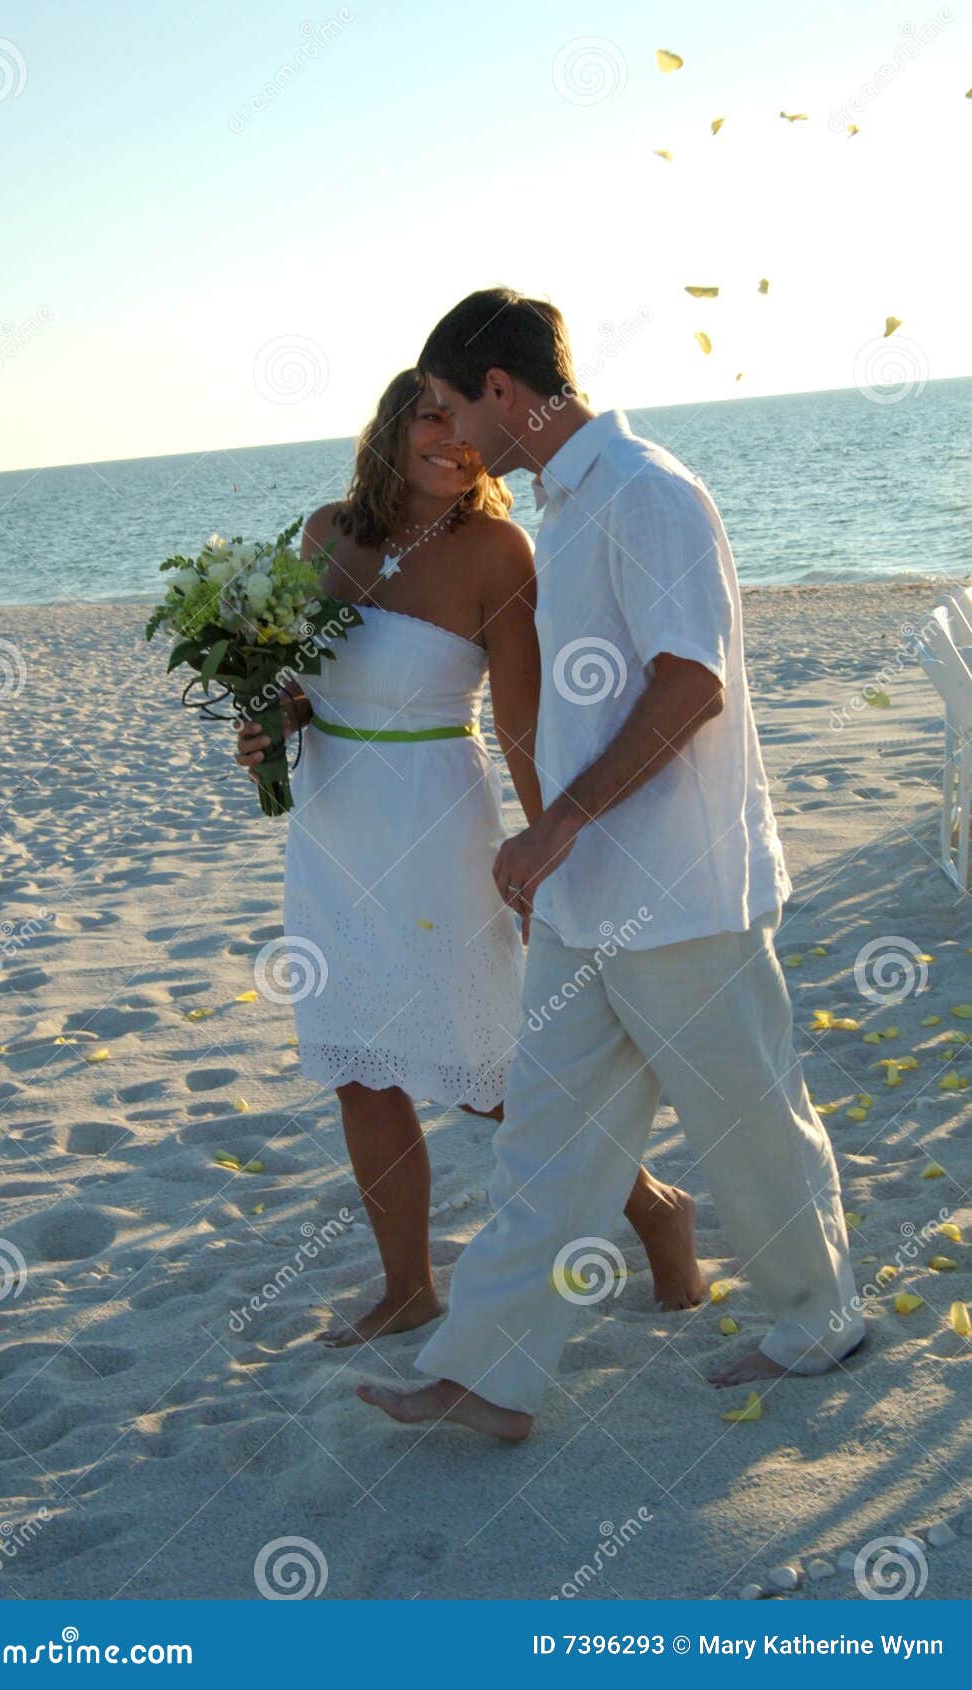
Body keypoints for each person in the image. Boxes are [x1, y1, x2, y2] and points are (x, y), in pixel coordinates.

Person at [357, 291, 865, 1439]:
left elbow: (692, 682)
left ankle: (818, 1323)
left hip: (682, 892)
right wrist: (559, 845)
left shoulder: (647, 492)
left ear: (500, 390)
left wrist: (558, 824)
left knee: (748, 1123)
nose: (448, 434)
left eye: (449, 405)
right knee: (544, 1142)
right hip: (587, 898)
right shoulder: (566, 505)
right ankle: (486, 1376)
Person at [236, 368, 704, 1347]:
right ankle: (408, 1286)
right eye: (429, 418)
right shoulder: (324, 535)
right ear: (390, 429)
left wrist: (544, 843)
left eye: (462, 420)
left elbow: (520, 723)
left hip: (437, 826)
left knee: (490, 1072)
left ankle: (655, 1207)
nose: (451, 439)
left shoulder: (498, 549)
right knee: (359, 1064)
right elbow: (305, 681)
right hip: (329, 826)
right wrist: (275, 720)